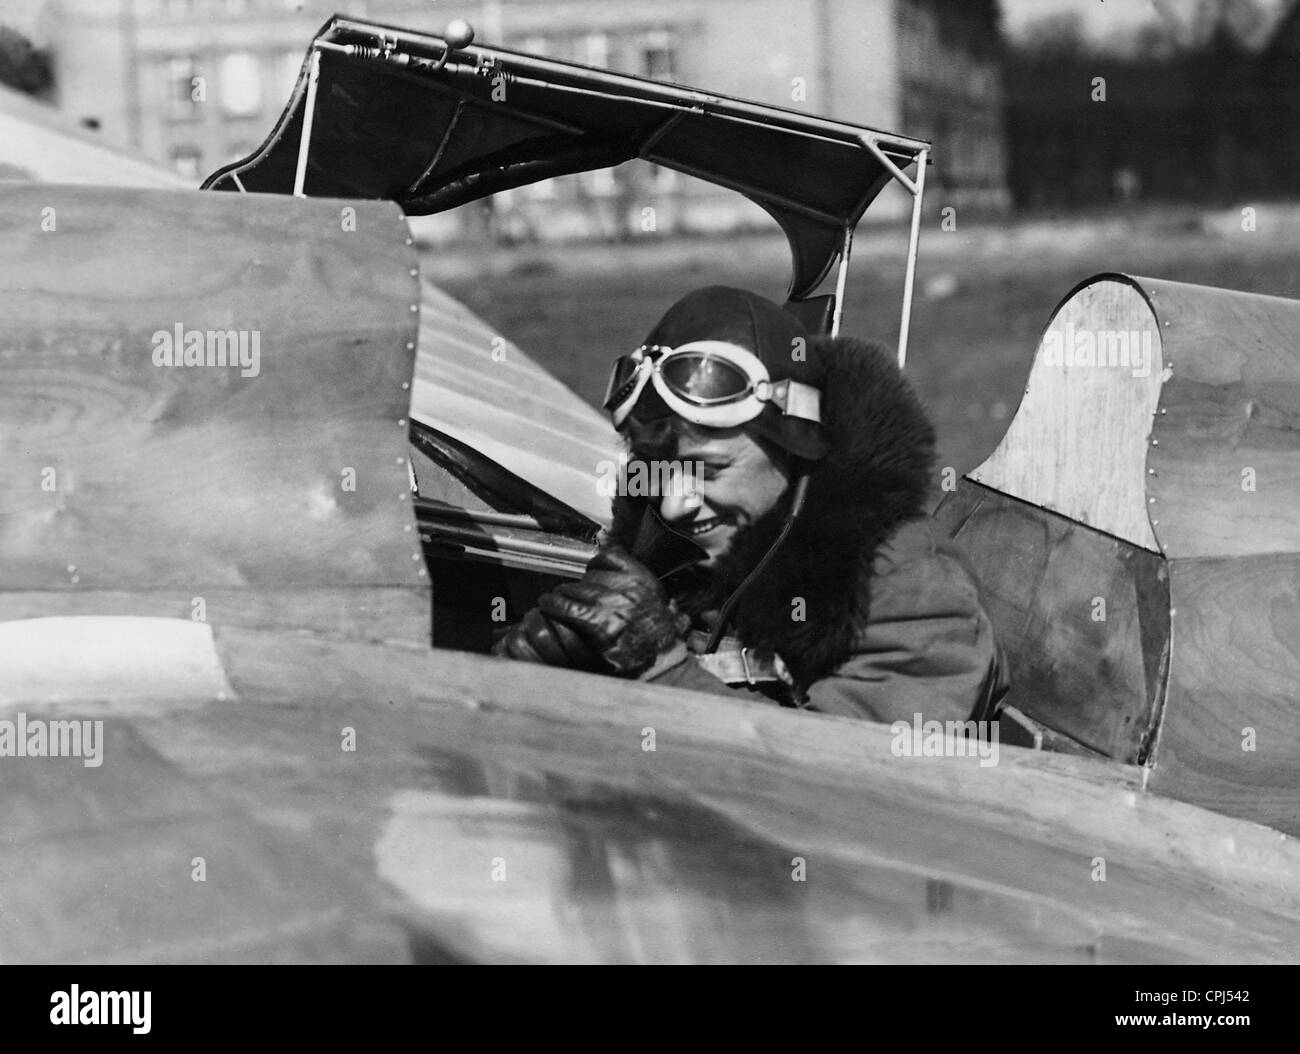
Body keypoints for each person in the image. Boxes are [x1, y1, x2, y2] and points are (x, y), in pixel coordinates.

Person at [493, 286, 1008, 724]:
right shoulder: (674, 548)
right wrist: (551, 674)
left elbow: (855, 782)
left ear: (795, 448)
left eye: (710, 469)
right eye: (660, 469)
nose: (674, 505)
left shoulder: (911, 592)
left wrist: (663, 669)